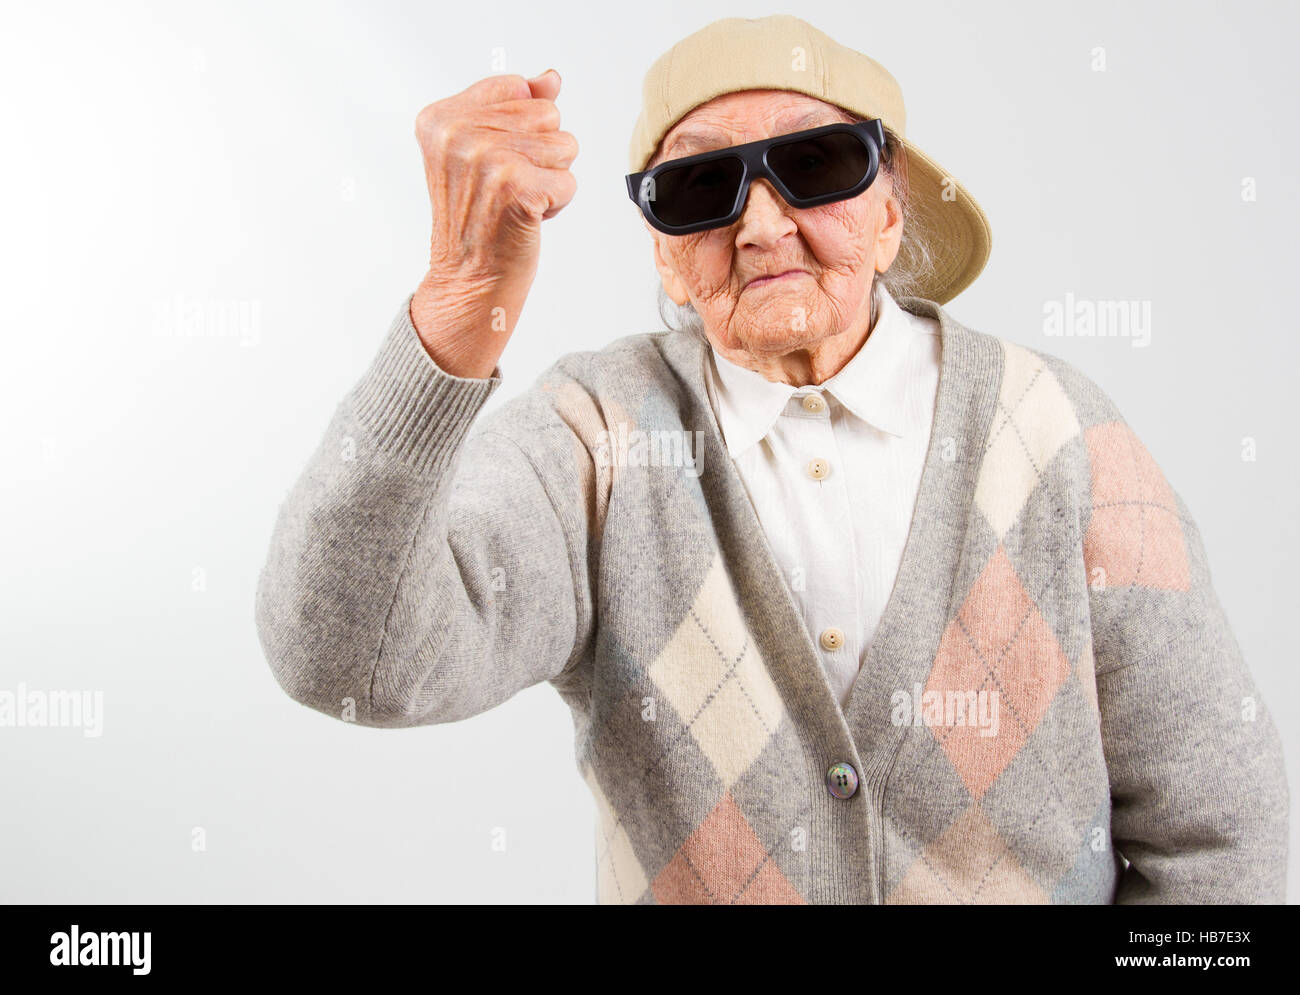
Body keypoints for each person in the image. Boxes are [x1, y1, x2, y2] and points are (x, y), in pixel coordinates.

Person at [255, 14, 1288, 903]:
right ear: (662, 247)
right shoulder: (592, 435)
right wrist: (456, 300)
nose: (757, 224)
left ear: (891, 212)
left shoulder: (1064, 433)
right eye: (698, 185)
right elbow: (351, 661)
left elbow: (1218, 833)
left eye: (816, 164)